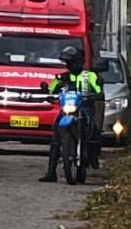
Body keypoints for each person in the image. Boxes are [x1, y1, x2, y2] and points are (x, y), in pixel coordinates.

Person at [39, 46, 102, 182]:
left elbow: (98, 89)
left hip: (84, 108)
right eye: (68, 62)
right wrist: (49, 94)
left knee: (95, 131)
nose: (70, 65)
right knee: (56, 136)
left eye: (72, 62)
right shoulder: (62, 77)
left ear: (79, 62)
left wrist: (96, 95)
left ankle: (94, 157)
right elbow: (51, 89)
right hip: (67, 109)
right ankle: (51, 172)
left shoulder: (90, 75)